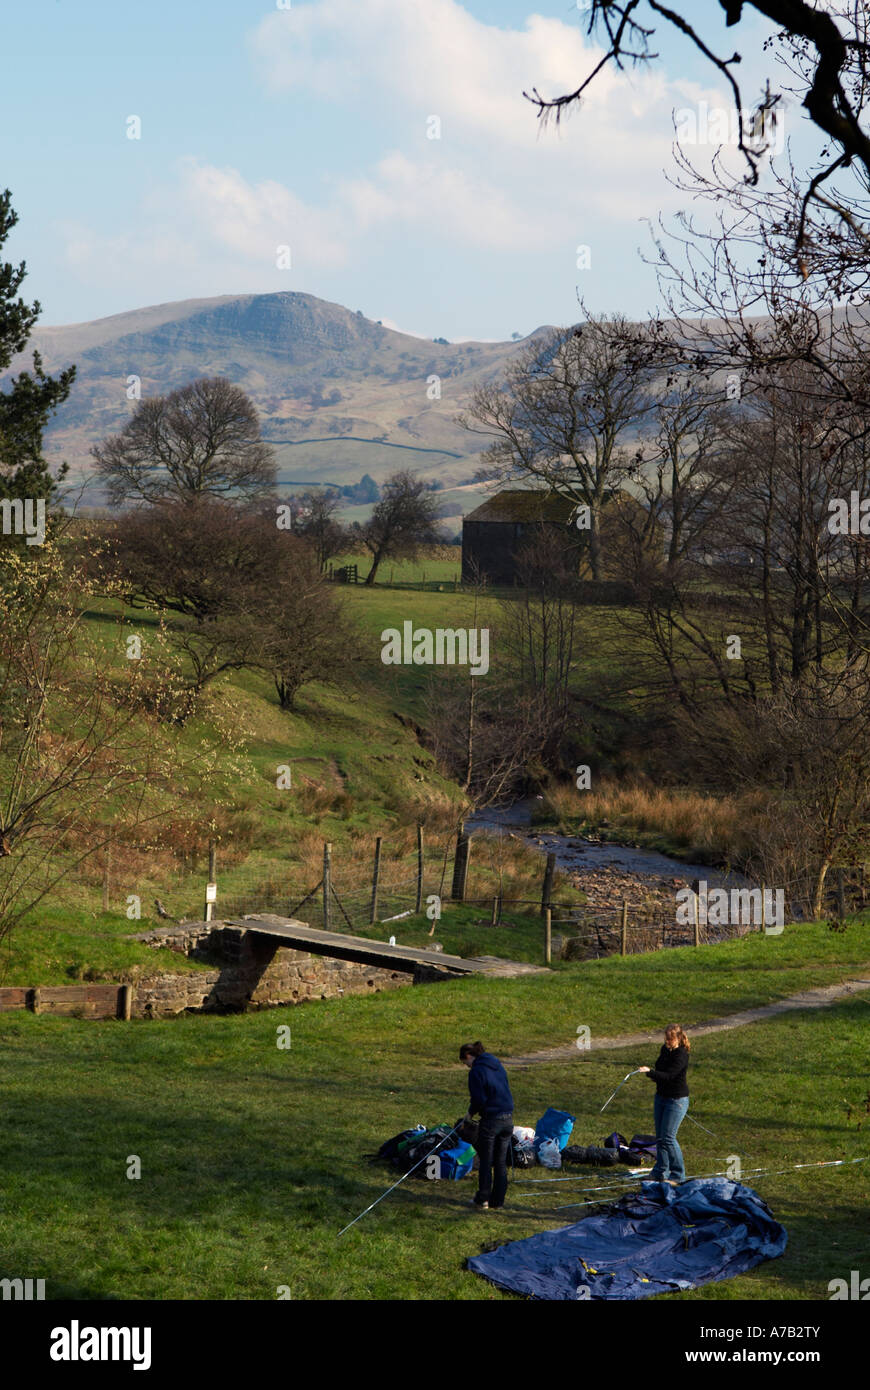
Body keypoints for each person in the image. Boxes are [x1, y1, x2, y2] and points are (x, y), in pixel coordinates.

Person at [460, 1040, 514, 1210]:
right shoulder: (496, 1064)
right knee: (500, 1162)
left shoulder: (476, 1071)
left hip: (491, 1120)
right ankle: (498, 1201)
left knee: (486, 1160)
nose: (467, 1066)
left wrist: (469, 1114)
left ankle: (482, 1198)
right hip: (508, 1118)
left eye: (465, 1063)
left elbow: (478, 1099)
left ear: (469, 1056)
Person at [638, 1024, 690, 1184]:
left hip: (676, 1100)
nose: (667, 1041)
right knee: (660, 1138)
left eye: (670, 1039)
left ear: (679, 1038)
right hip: (661, 1097)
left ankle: (678, 1174)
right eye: (666, 1038)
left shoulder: (682, 1054)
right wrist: (653, 1073)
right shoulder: (665, 1050)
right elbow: (660, 1067)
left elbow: (670, 1075)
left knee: (668, 1138)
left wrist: (650, 1072)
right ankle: (660, 1171)